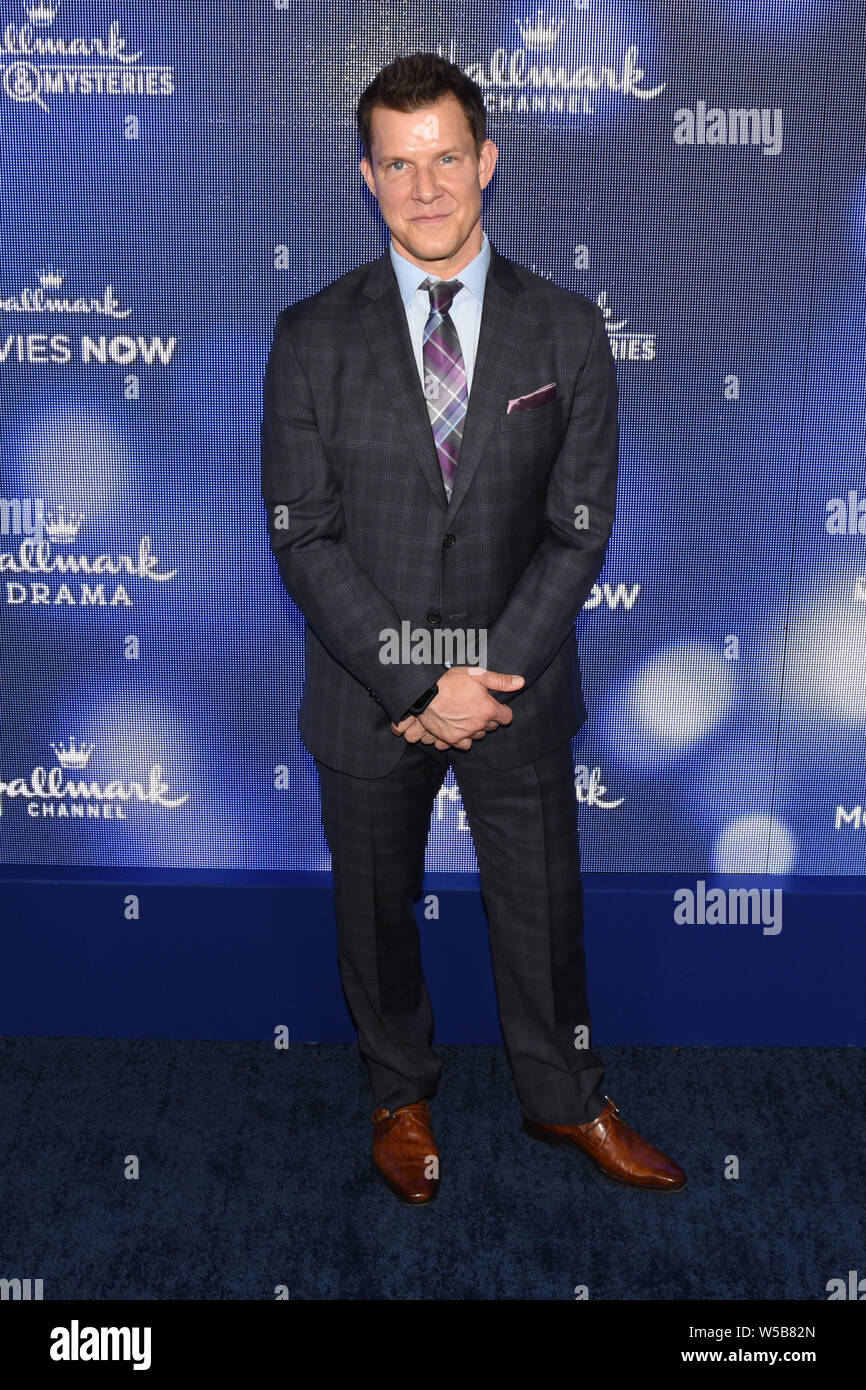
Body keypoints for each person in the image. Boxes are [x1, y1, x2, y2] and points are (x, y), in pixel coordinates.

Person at [261, 51, 686, 1204]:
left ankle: (563, 1098)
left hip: (516, 684)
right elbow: (303, 535)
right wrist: (417, 684)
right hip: (370, 698)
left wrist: (479, 675)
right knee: (373, 914)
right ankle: (398, 1094)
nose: (426, 185)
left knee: (543, 909)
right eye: (398, 164)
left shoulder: (566, 329)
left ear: (485, 159)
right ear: (366, 178)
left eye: (445, 156)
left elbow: (578, 526)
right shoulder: (310, 335)